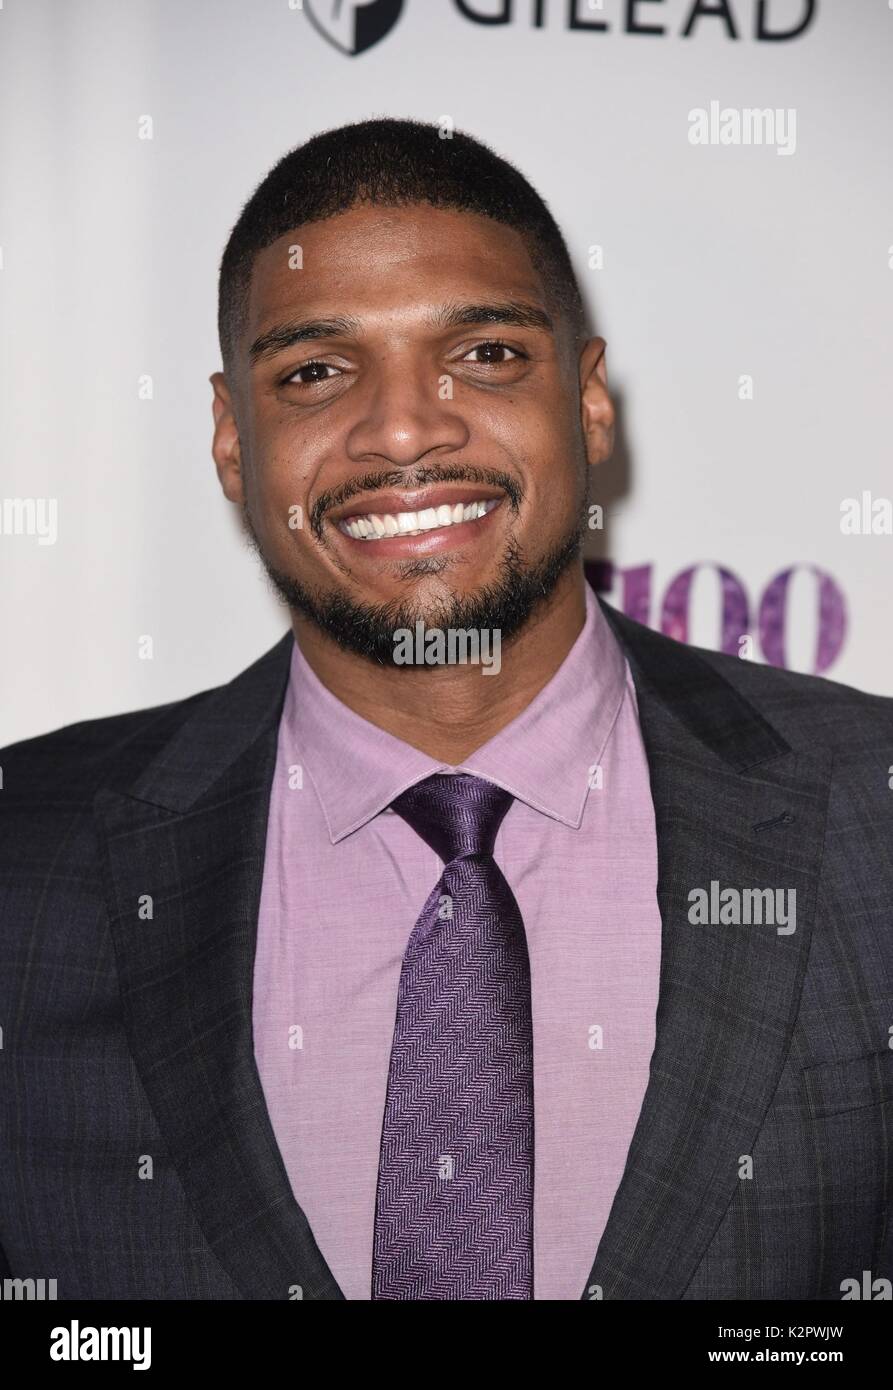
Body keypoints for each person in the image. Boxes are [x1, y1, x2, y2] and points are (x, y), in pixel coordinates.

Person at [1, 118, 891, 1302]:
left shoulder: (868, 815)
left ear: (588, 404)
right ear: (231, 437)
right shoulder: (25, 854)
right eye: (316, 372)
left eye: (482, 354)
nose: (405, 429)